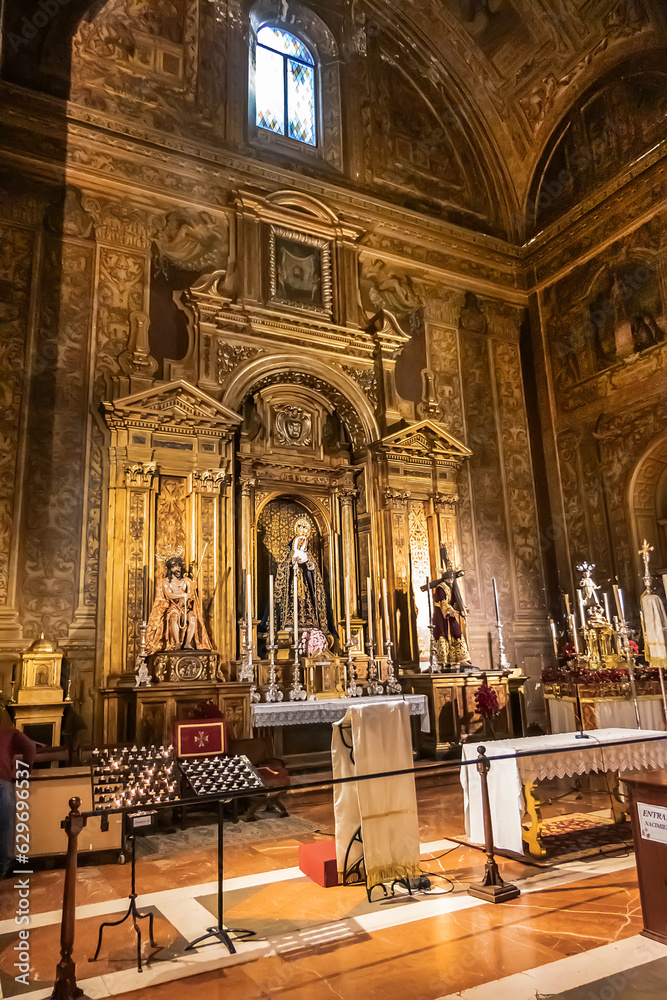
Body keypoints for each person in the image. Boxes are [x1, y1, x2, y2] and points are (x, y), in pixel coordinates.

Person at [273, 516, 336, 655]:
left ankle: (310, 625)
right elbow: (282, 569)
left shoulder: (308, 555)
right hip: (292, 586)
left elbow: (315, 574)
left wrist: (310, 566)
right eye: (300, 540)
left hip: (305, 586)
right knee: (293, 603)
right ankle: (289, 623)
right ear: (295, 540)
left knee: (307, 603)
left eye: (304, 540)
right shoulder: (288, 554)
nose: (302, 542)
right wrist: (293, 563)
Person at [145, 556, 213, 654]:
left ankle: (188, 643)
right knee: (174, 616)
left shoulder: (187, 581)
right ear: (170, 569)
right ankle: (177, 643)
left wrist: (188, 595)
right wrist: (183, 595)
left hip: (185, 608)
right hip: (173, 608)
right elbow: (169, 595)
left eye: (178, 566)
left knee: (193, 618)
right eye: (174, 567)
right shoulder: (165, 582)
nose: (177, 569)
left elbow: (190, 594)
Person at [0, 722, 36, 878]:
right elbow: (30, 746)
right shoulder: (7, 730)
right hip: (2, 782)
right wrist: (26, 769)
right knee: (5, 827)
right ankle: (3, 868)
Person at [432, 569, 472, 668]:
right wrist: (450, 610)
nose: (450, 581)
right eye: (449, 579)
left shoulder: (452, 587)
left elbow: (455, 601)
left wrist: (463, 609)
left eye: (452, 579)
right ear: (445, 579)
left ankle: (461, 659)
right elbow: (443, 602)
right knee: (442, 635)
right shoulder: (440, 588)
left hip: (451, 615)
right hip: (441, 616)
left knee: (457, 634)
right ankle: (443, 661)